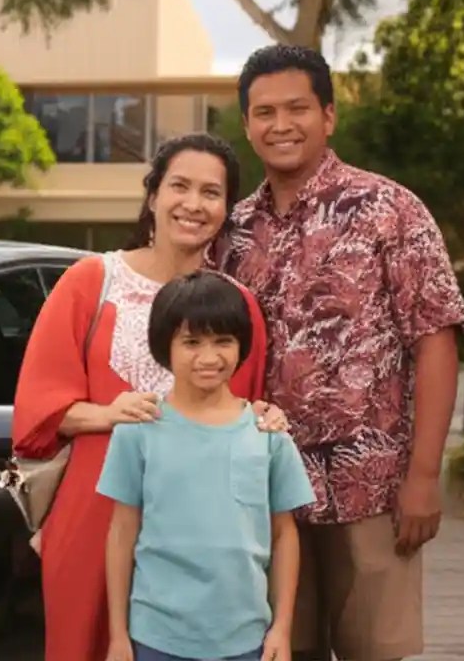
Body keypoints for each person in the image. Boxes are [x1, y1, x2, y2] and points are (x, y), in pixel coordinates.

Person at [220, 44, 464, 661]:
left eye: (297, 108)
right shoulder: (232, 229)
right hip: (263, 493)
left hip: (373, 491)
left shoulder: (390, 209)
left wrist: (423, 477)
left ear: (328, 115)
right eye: (264, 112)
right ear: (248, 124)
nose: (281, 125)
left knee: (375, 653)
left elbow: (435, 338)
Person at [12, 133, 288, 661]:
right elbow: (35, 411)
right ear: (153, 195)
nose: (193, 203)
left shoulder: (239, 306)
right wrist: (107, 413)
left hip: (202, 534)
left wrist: (265, 415)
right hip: (96, 512)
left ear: (226, 209)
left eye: (211, 192)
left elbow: (242, 413)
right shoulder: (90, 282)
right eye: (179, 186)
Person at [97, 270, 316, 661]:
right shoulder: (137, 431)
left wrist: (282, 628)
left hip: (246, 639)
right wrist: (118, 634)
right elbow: (121, 531)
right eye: (192, 342)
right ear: (164, 346)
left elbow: (284, 535)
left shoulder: (268, 433)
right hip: (156, 637)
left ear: (241, 346)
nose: (209, 357)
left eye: (223, 341)